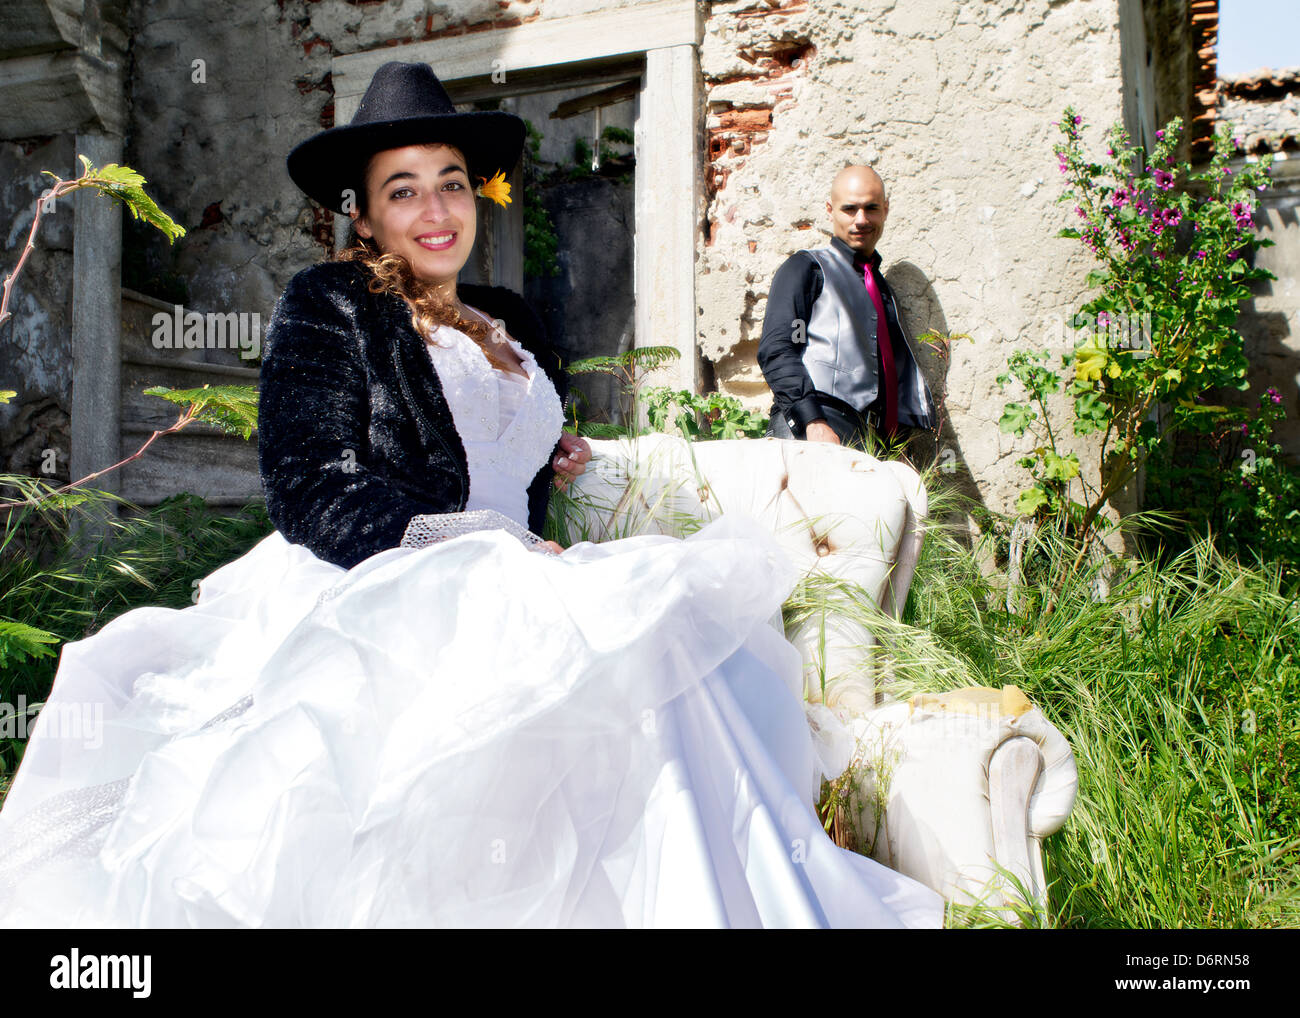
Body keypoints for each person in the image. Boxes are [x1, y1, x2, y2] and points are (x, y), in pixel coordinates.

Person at [0, 64, 942, 928]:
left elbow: (491, 448)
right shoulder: (329, 304)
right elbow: (307, 488)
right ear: (363, 217)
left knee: (678, 647)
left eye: (451, 180)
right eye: (400, 190)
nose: (435, 208)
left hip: (519, 575)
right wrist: (471, 542)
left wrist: (547, 454)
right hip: (384, 581)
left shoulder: (515, 320)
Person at [758, 165, 936, 453]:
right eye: (850, 209)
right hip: (815, 430)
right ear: (830, 210)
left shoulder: (882, 290)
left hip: (868, 441)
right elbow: (778, 349)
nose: (861, 220)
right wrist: (813, 422)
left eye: (871, 208)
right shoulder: (806, 268)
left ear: (886, 210)